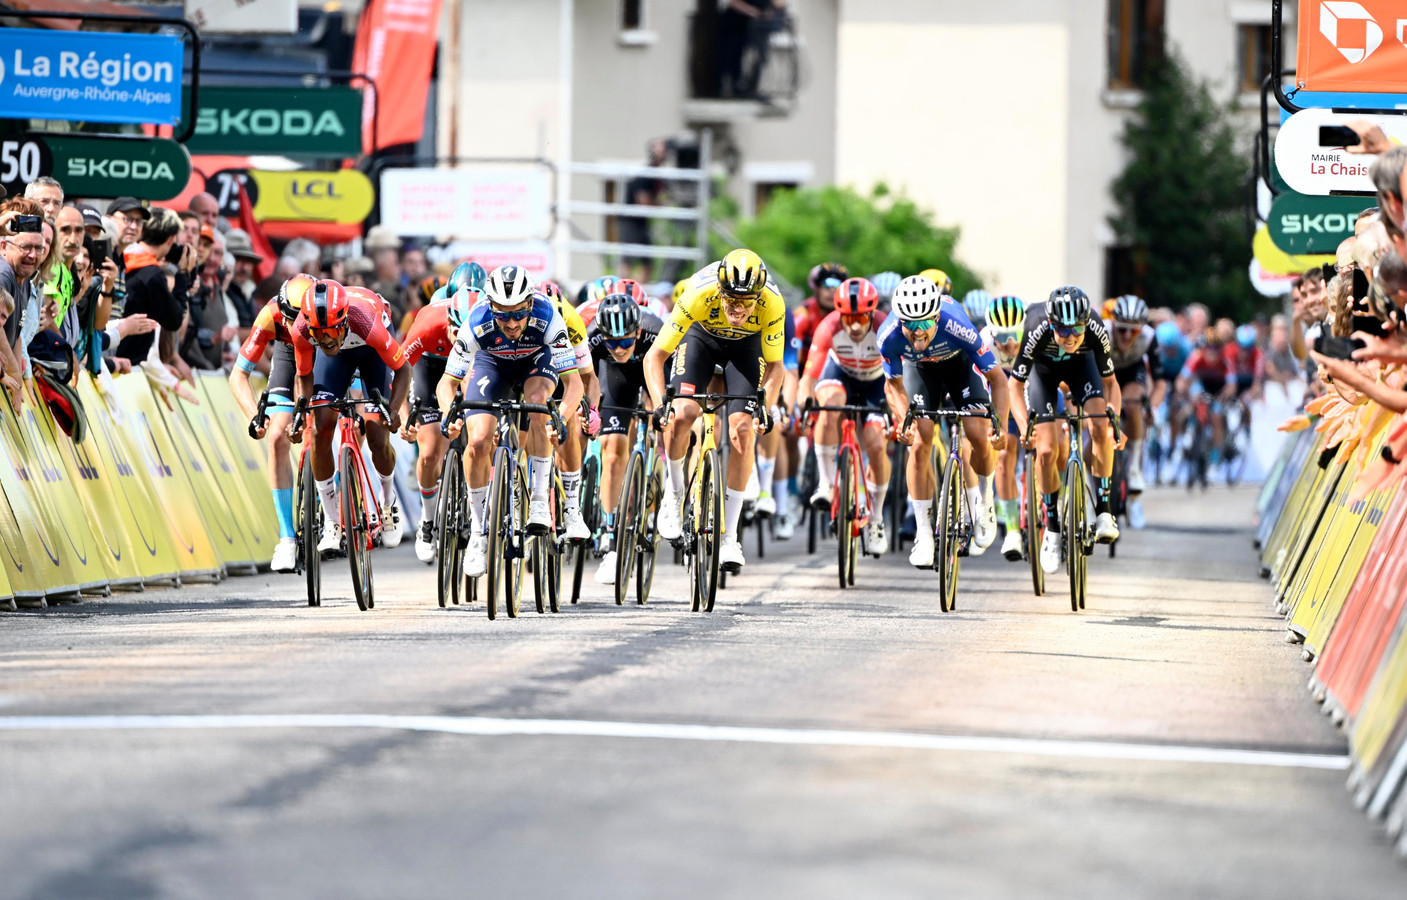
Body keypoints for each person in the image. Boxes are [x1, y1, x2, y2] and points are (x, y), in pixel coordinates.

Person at [436, 265, 583, 579]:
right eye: (503, 315)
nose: (513, 323)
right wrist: (452, 415)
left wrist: (563, 417)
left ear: (530, 303)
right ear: (491, 307)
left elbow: (575, 384)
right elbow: (446, 384)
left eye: (519, 313)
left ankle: (540, 501)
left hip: (536, 361)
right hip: (494, 365)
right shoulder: (475, 322)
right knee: (476, 442)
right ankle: (479, 532)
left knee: (539, 404)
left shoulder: (548, 318)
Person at [644, 249, 785, 573]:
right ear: (719, 291)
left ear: (758, 297)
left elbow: (777, 367)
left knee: (743, 429)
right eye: (731, 300)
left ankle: (730, 537)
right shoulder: (698, 294)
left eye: (746, 302)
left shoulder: (772, 303)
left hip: (748, 346)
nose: (738, 308)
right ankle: (675, 494)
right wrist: (660, 403)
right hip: (701, 339)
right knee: (681, 414)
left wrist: (766, 405)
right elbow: (655, 357)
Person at [881, 276, 1007, 568]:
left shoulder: (957, 326)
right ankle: (924, 535)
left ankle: (983, 500)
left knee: (977, 431)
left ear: (936, 316)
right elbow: (893, 386)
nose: (916, 332)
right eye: (909, 325)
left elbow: (998, 380)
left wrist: (999, 426)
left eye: (923, 323)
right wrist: (904, 421)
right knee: (921, 440)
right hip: (920, 371)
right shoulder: (889, 335)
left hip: (959, 366)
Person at [288, 280, 411, 554]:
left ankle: (388, 504)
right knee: (320, 429)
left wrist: (392, 409)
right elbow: (304, 376)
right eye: (318, 335)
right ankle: (332, 522)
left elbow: (404, 370)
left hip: (371, 351)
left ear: (343, 322)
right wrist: (300, 413)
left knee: (377, 433)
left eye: (331, 331)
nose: (327, 340)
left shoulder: (367, 323)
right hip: (335, 361)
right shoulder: (300, 332)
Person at [1008, 286, 1121, 576]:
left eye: (1076, 331)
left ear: (1085, 322)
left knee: (1099, 426)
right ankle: (1053, 527)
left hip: (1083, 369)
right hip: (1044, 375)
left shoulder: (1096, 327)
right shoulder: (1034, 328)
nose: (1070, 337)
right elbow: (1014, 385)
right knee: (1045, 450)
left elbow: (1110, 384)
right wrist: (1023, 426)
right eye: (1062, 331)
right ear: (1050, 324)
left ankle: (1105, 510)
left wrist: (1114, 421)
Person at [798, 277, 891, 554]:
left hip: (876, 383)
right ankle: (826, 482)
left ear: (872, 313)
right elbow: (809, 378)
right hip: (840, 376)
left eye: (861, 318)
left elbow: (900, 377)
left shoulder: (885, 326)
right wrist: (805, 408)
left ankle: (876, 519)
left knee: (875, 444)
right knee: (829, 406)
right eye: (847, 318)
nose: (853, 325)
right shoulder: (829, 327)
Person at [230, 274, 316, 572]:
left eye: (300, 321)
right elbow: (237, 375)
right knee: (277, 436)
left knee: (325, 424)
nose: (295, 329)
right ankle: (287, 537)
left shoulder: (325, 308)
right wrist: (256, 415)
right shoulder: (270, 315)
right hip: (289, 358)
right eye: (289, 321)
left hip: (327, 348)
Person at [590, 292, 665, 584]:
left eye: (624, 341)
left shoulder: (655, 331)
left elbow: (669, 380)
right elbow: (586, 376)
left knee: (664, 419)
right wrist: (591, 409)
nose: (619, 347)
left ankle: (658, 490)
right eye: (612, 342)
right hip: (615, 377)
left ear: (637, 331)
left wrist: (660, 409)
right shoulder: (595, 337)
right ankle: (610, 536)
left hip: (651, 369)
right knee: (612, 451)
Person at [398, 286, 471, 563]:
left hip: (469, 365)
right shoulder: (428, 323)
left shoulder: (483, 329)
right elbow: (399, 373)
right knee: (429, 451)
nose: (457, 336)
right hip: (430, 366)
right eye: (454, 330)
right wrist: (405, 417)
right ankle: (427, 522)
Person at [979, 294, 1028, 560]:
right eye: (1003, 336)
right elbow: (981, 385)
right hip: (999, 390)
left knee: (1056, 442)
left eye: (1015, 334)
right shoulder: (984, 341)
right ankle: (1012, 529)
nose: (1010, 343)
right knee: (1004, 454)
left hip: (1031, 386)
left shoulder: (1033, 334)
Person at [1107, 295, 1163, 528]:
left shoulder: (1150, 338)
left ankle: (1133, 471)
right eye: (1122, 330)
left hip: (1132, 372)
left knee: (1133, 403)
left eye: (1134, 331)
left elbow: (1160, 382)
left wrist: (1152, 406)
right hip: (1106, 371)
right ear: (1113, 324)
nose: (1127, 336)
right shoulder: (1101, 333)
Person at [114, 208, 195, 367]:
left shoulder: (122, 256)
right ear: (171, 239)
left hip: (111, 353)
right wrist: (183, 275)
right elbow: (174, 320)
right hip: (128, 366)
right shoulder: (152, 274)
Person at [618, 140, 668, 281]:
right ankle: (623, 290)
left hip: (641, 222)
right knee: (628, 261)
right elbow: (644, 202)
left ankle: (638, 291)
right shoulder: (647, 174)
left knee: (647, 263)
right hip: (630, 221)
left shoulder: (656, 174)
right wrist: (660, 203)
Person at [794, 262, 848, 373]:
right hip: (802, 371)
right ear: (816, 288)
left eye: (837, 285)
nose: (832, 290)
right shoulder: (803, 313)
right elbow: (792, 362)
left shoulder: (848, 317)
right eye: (826, 284)